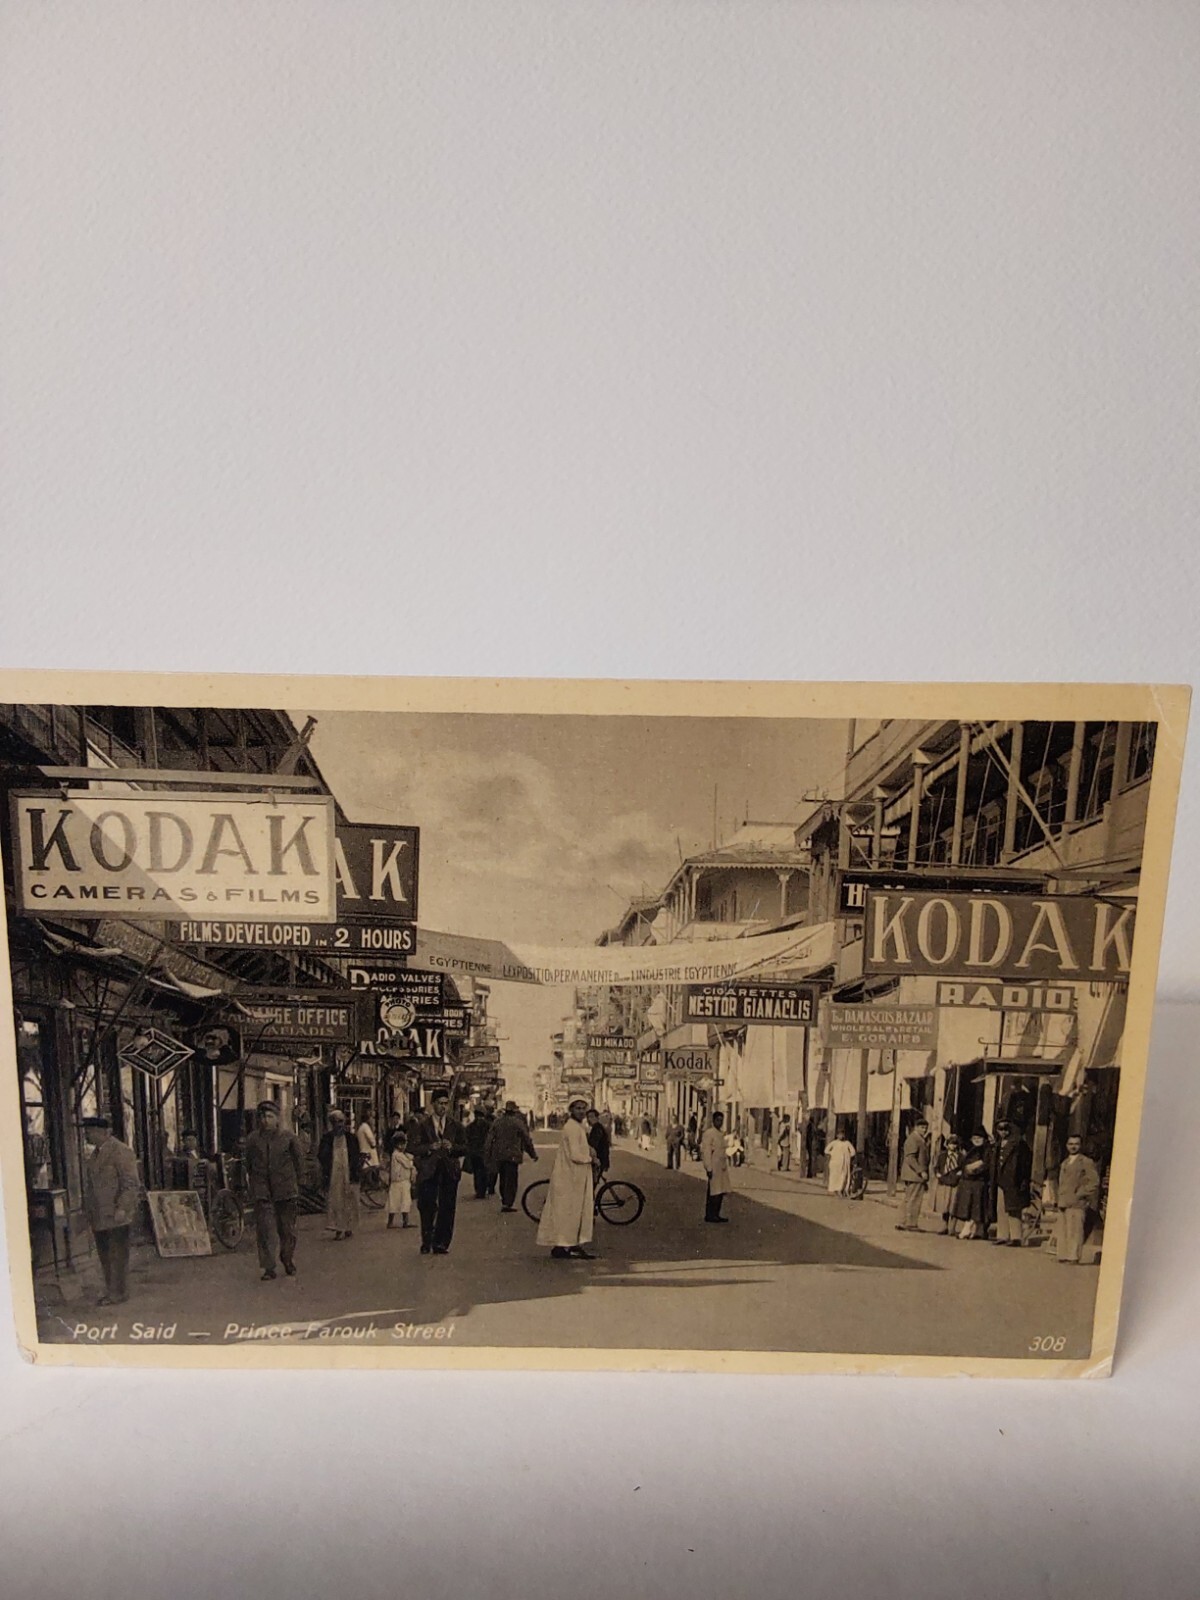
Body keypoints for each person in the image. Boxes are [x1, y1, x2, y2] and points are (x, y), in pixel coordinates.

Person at [81, 1115, 140, 1306]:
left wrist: (123, 1207)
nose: (87, 1136)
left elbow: (130, 1183)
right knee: (106, 1255)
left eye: (89, 1132)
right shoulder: (95, 1155)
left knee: (117, 1255)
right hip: (99, 1215)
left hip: (116, 1214)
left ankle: (118, 1293)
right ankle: (112, 1291)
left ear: (102, 1132)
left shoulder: (121, 1151)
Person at [244, 1101, 304, 1280]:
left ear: (278, 1119)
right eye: (262, 1116)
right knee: (265, 1230)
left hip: (285, 1191)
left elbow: (299, 1163)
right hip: (263, 1191)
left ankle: (287, 1258)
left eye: (269, 1116)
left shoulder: (289, 1138)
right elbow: (248, 1164)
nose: (265, 1120)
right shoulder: (253, 1139)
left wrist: (298, 1183)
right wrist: (253, 1184)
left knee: (287, 1230)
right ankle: (269, 1267)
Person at [537, 1098, 598, 1259]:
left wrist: (589, 1150)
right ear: (571, 1110)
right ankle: (565, 1245)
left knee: (572, 1211)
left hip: (575, 1177)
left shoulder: (577, 1126)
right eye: (578, 1108)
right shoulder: (572, 1128)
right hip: (570, 1177)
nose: (581, 1111)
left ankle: (567, 1245)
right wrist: (591, 1159)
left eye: (584, 1108)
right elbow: (575, 1155)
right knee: (570, 1212)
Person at [409, 1090, 467, 1255]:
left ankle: (441, 1243)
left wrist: (453, 1148)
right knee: (427, 1206)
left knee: (447, 1207)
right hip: (429, 1171)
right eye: (440, 1103)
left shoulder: (455, 1125)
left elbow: (465, 1147)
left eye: (445, 1103)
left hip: (449, 1170)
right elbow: (412, 1147)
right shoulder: (422, 1125)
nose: (443, 1107)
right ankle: (427, 1241)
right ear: (433, 1104)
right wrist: (429, 1148)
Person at [484, 1100, 540, 1212]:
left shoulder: (497, 1122)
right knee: (511, 1179)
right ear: (514, 1111)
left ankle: (505, 1201)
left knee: (503, 1178)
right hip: (513, 1155)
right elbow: (526, 1140)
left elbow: (489, 1140)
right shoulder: (518, 1123)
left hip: (499, 1155)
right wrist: (533, 1154)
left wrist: (487, 1154)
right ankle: (508, 1203)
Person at [1055, 1135, 1101, 1265]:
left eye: (1076, 1144)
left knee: (1075, 1230)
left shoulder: (1086, 1161)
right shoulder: (1064, 1162)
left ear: (1081, 1146)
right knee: (1064, 1229)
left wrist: (1080, 1193)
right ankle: (1064, 1254)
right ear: (1066, 1145)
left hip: (1077, 1202)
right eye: (1070, 1144)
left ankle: (1073, 1256)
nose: (1073, 1146)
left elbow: (1094, 1181)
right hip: (1064, 1200)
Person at [318, 1109, 363, 1240]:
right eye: (336, 1122)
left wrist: (356, 1170)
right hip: (334, 1176)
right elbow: (322, 1156)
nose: (339, 1124)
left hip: (349, 1174)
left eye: (341, 1121)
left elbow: (356, 1156)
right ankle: (338, 1228)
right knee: (336, 1201)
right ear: (332, 1123)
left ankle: (349, 1227)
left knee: (350, 1201)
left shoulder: (351, 1138)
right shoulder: (327, 1139)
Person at [991, 1119, 1033, 1247]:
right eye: (1000, 1129)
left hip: (1014, 1180)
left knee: (1014, 1210)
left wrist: (1023, 1180)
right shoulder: (998, 1145)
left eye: (1005, 1129)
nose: (1003, 1132)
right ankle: (1002, 1235)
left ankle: (1016, 1237)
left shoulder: (1019, 1144)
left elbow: (1025, 1164)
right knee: (1001, 1209)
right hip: (1000, 1180)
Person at [952, 1129, 992, 1239]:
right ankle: (974, 1231)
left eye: (979, 1138)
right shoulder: (970, 1149)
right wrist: (966, 1169)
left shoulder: (987, 1150)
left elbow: (987, 1165)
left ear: (984, 1139)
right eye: (974, 1138)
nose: (977, 1140)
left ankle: (968, 1229)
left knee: (975, 1208)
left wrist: (973, 1170)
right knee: (969, 1208)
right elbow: (963, 1163)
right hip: (968, 1183)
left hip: (978, 1182)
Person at [895, 1114, 931, 1232]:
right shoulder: (914, 1139)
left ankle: (902, 1222)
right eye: (921, 1127)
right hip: (914, 1175)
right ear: (916, 1127)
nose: (924, 1130)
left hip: (912, 1174)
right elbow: (910, 1158)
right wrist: (921, 1171)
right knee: (914, 1199)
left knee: (908, 1198)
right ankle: (911, 1223)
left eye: (925, 1128)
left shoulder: (918, 1139)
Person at [700, 1111, 731, 1222]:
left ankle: (716, 1214)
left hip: (721, 1166)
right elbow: (706, 1151)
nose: (720, 1122)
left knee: (721, 1191)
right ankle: (710, 1214)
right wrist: (708, 1167)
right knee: (714, 1191)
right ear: (713, 1121)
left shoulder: (721, 1134)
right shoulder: (710, 1133)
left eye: (721, 1120)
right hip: (714, 1165)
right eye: (718, 1120)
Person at [931, 1134, 963, 1234]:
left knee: (953, 1205)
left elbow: (963, 1167)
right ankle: (944, 1225)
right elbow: (936, 1167)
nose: (953, 1146)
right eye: (951, 1144)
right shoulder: (942, 1156)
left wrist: (960, 1173)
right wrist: (938, 1174)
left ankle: (952, 1228)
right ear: (947, 1145)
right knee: (944, 1205)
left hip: (954, 1183)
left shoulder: (961, 1157)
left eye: (955, 1144)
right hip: (944, 1182)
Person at [465, 1102, 497, 1200]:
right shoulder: (488, 1126)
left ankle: (479, 1190)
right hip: (484, 1153)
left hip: (475, 1153)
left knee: (477, 1172)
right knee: (484, 1171)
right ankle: (482, 1190)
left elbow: (466, 1139)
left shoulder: (470, 1127)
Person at [387, 1130, 415, 1229]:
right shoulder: (398, 1155)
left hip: (397, 1182)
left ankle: (391, 1221)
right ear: (399, 1145)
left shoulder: (395, 1154)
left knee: (394, 1202)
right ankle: (405, 1221)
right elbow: (408, 1164)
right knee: (404, 1201)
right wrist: (411, 1160)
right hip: (402, 1181)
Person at [825, 1126, 856, 1197]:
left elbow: (853, 1152)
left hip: (844, 1163)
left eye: (842, 1134)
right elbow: (826, 1150)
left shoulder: (847, 1143)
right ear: (837, 1135)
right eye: (839, 1134)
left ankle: (840, 1189)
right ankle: (833, 1189)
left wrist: (848, 1156)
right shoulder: (834, 1143)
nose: (841, 1136)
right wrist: (832, 1153)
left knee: (843, 1176)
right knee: (834, 1176)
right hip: (835, 1162)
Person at [586, 1109, 611, 1184]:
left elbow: (593, 1144)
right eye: (588, 1117)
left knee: (590, 1186)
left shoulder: (597, 1128)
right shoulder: (596, 1127)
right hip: (599, 1160)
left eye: (591, 1117)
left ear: (597, 1117)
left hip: (599, 1160)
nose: (589, 1119)